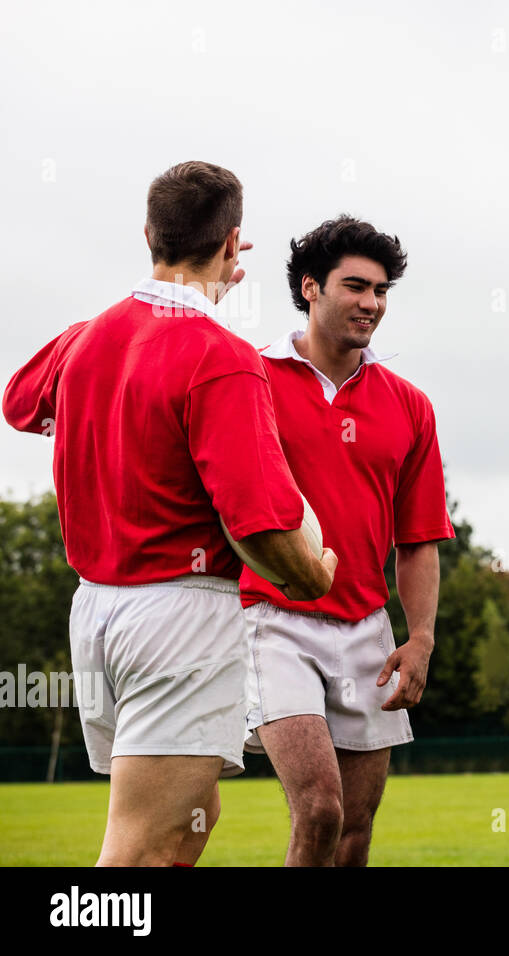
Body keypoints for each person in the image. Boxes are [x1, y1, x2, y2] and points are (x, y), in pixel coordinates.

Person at [2, 161, 337, 866]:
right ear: (232, 245)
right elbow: (260, 525)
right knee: (141, 854)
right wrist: (314, 575)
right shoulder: (222, 357)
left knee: (190, 820)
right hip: (176, 621)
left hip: (98, 611)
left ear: (149, 234)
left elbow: (19, 402)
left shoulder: (85, 337)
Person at [240, 216, 454, 866]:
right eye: (355, 286)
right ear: (310, 287)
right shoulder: (249, 379)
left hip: (367, 630)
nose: (371, 303)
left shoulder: (410, 405)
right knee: (320, 807)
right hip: (273, 620)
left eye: (381, 290)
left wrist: (419, 637)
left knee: (354, 832)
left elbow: (418, 541)